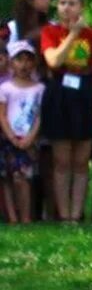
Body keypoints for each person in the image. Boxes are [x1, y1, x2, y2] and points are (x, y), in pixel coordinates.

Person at [39, 0, 92, 222]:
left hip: (85, 94)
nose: (66, 8)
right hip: (60, 94)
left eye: (71, 3)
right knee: (62, 160)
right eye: (62, 3)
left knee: (81, 161)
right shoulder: (50, 32)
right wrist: (72, 34)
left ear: (81, 7)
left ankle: (76, 214)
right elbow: (54, 61)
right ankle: (64, 214)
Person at [0, 43, 43, 222]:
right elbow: (2, 114)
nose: (24, 65)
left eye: (28, 60)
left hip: (28, 138)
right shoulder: (5, 88)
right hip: (8, 137)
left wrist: (31, 137)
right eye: (19, 60)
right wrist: (10, 136)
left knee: (22, 177)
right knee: (6, 177)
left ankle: (25, 218)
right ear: (11, 63)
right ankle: (12, 217)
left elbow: (40, 116)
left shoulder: (39, 88)